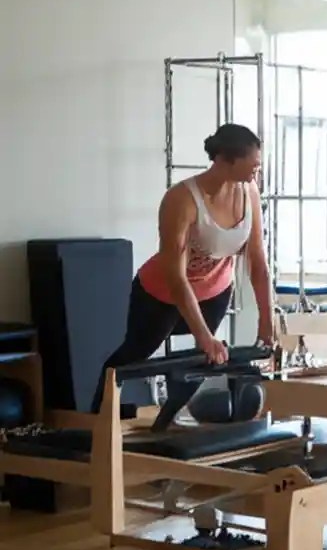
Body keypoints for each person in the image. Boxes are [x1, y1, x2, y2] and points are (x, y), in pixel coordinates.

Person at [93, 124, 274, 410]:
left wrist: (266, 320)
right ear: (226, 160)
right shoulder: (181, 199)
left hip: (214, 290)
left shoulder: (249, 190)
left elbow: (258, 263)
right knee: (133, 357)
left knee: (205, 360)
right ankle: (98, 417)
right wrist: (204, 336)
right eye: (253, 164)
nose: (257, 171)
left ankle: (170, 419)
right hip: (161, 292)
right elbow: (175, 276)